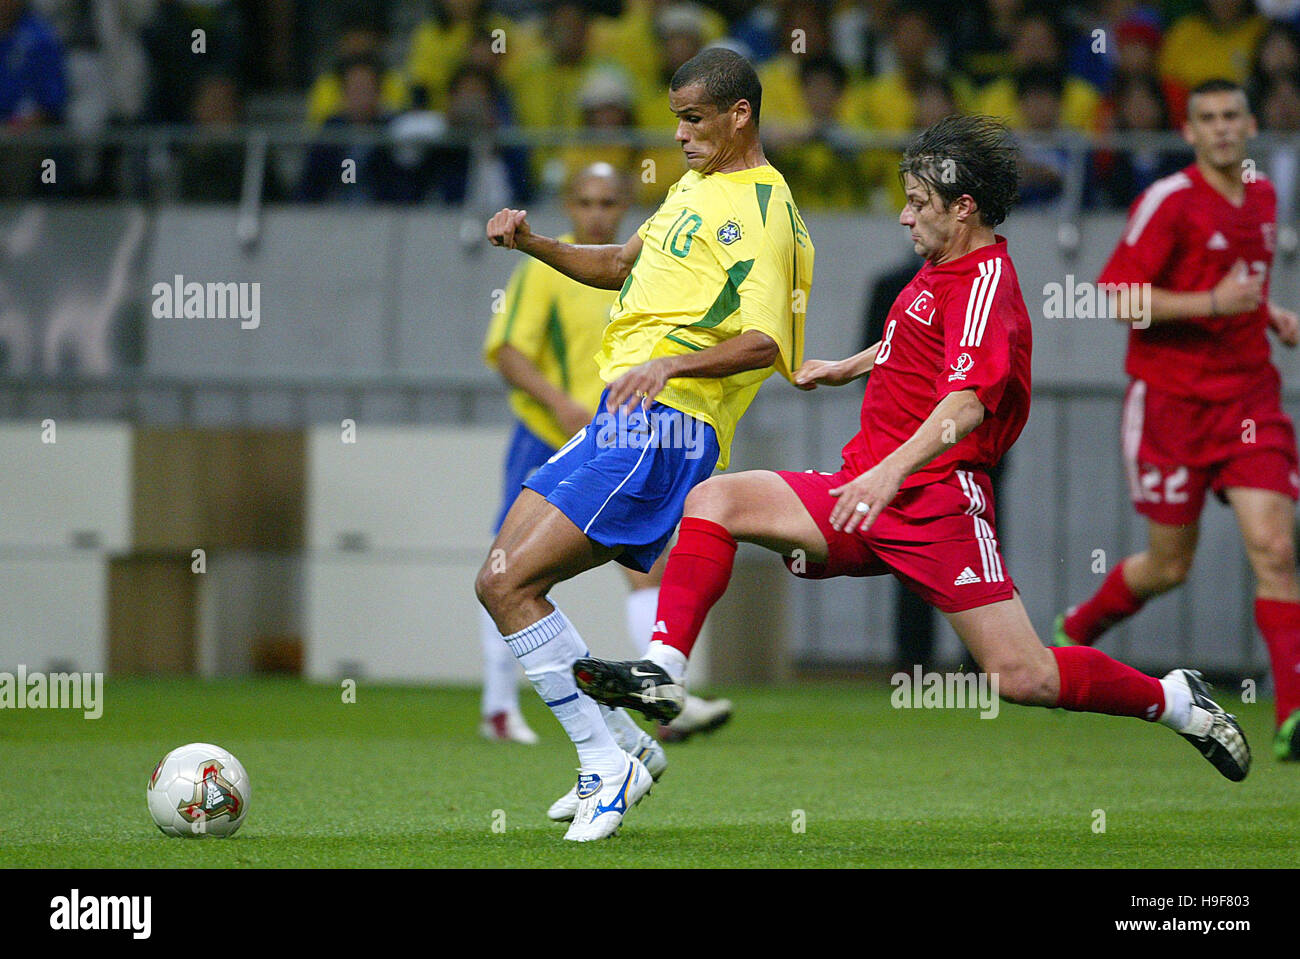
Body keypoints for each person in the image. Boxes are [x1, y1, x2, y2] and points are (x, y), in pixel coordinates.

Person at [573, 114, 1253, 790]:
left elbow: (965, 403)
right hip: (862, 488)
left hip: (937, 504)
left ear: (964, 209)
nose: (904, 218)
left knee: (1024, 676)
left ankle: (1175, 700)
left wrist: (891, 470)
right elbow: (924, 344)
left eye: (918, 203)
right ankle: (664, 669)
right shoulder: (940, 268)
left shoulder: (986, 282)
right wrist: (854, 364)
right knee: (714, 499)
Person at [476, 47, 813, 842]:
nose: (682, 136)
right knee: (496, 579)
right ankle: (623, 743)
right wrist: (533, 244)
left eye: (695, 120)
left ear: (740, 116)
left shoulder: (764, 207)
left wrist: (667, 364)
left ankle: (608, 760)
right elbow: (620, 265)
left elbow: (765, 340)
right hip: (619, 417)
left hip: (667, 423)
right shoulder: (692, 189)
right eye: (676, 120)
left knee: (512, 582)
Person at [1054, 79, 1300, 763]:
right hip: (1170, 404)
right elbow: (1114, 295)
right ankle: (1078, 624)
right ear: (1189, 133)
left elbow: (1244, 284)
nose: (1223, 128)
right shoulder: (1169, 200)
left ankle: (1293, 712)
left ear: (1250, 123)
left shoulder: (1264, 196)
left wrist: (1266, 314)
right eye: (1209, 119)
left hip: (1250, 400)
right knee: (1169, 564)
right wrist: (1213, 302)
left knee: (1277, 548)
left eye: (1233, 116)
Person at [478, 163, 734, 764]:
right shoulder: (543, 272)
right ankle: (499, 705)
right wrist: (560, 404)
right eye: (586, 201)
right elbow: (507, 349)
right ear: (569, 204)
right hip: (550, 432)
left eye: (608, 202)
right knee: (504, 567)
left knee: (642, 566)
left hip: (625, 433)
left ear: (625, 206)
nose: (596, 212)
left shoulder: (641, 267)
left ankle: (660, 691)